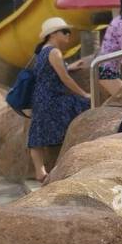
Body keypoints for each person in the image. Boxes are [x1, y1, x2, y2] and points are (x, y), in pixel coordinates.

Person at [27, 17, 92, 181]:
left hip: (41, 98)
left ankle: (40, 171)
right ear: (53, 34)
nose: (68, 35)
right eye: (65, 32)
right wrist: (84, 94)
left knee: (36, 134)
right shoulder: (54, 52)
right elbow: (65, 79)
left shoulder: (43, 51)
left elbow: (49, 72)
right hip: (53, 99)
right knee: (84, 106)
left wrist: (69, 66)